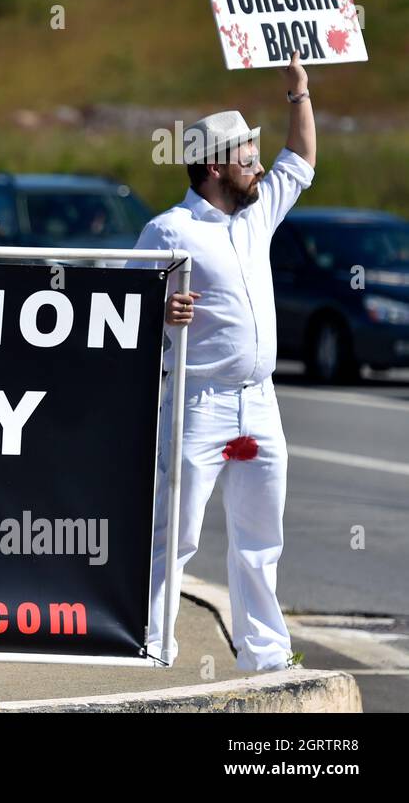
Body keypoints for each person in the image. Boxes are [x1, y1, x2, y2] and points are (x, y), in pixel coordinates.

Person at [134, 51, 315, 672]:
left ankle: (266, 654)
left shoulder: (258, 211)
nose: (259, 168)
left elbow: (301, 161)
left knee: (261, 537)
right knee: (177, 532)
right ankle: (155, 644)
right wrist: (163, 312)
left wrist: (299, 93)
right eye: (247, 158)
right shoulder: (168, 231)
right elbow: (129, 313)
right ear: (215, 166)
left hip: (259, 401)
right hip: (198, 402)